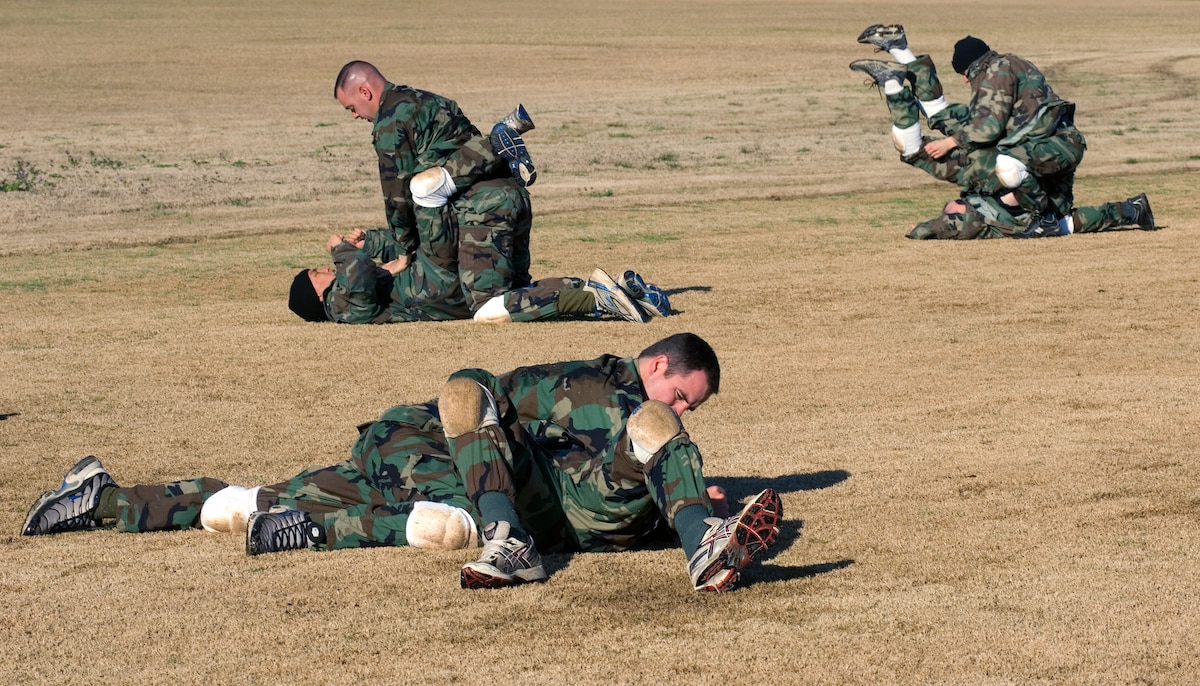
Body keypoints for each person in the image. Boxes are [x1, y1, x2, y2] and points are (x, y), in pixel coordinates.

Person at [22, 334, 782, 593]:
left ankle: (104, 500)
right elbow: (622, 455)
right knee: (454, 485)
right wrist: (676, 482)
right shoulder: (601, 387)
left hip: (410, 453)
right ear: (655, 364)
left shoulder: (605, 401)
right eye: (683, 395)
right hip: (443, 452)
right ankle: (697, 542)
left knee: (253, 498)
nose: (682, 413)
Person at [849, 25, 1157, 239]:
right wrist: (1133, 209)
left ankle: (895, 74)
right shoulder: (998, 71)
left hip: (1044, 147)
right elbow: (989, 127)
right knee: (914, 142)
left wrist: (951, 142)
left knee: (1004, 165)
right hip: (1033, 166)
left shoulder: (998, 70)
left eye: (965, 76)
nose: (967, 83)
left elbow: (987, 128)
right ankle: (897, 65)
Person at [332, 61, 545, 320]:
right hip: (512, 193)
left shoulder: (389, 123)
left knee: (494, 304)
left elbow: (396, 194)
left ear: (365, 92)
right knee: (520, 289)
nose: (355, 115)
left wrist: (403, 250)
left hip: (481, 211)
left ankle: (594, 297)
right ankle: (589, 293)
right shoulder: (428, 99)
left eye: (352, 108)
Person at [288, 227, 671, 324]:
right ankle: (599, 298)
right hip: (446, 298)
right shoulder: (340, 306)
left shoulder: (347, 291)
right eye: (316, 274)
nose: (324, 269)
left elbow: (391, 253)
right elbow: (357, 273)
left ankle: (615, 294)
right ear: (316, 295)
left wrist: (367, 240)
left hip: (440, 284)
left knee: (525, 290)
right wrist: (340, 248)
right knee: (511, 302)